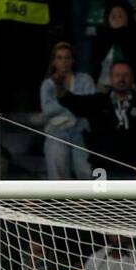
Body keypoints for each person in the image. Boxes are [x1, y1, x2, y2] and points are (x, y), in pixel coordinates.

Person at [39, 42, 95, 180]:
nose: (63, 62)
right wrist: (73, 103)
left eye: (67, 58)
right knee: (57, 164)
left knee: (84, 169)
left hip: (82, 130)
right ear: (54, 61)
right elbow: (47, 110)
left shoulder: (85, 79)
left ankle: (85, 200)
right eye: (59, 58)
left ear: (72, 60)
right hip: (58, 129)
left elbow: (90, 106)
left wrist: (63, 104)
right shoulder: (48, 84)